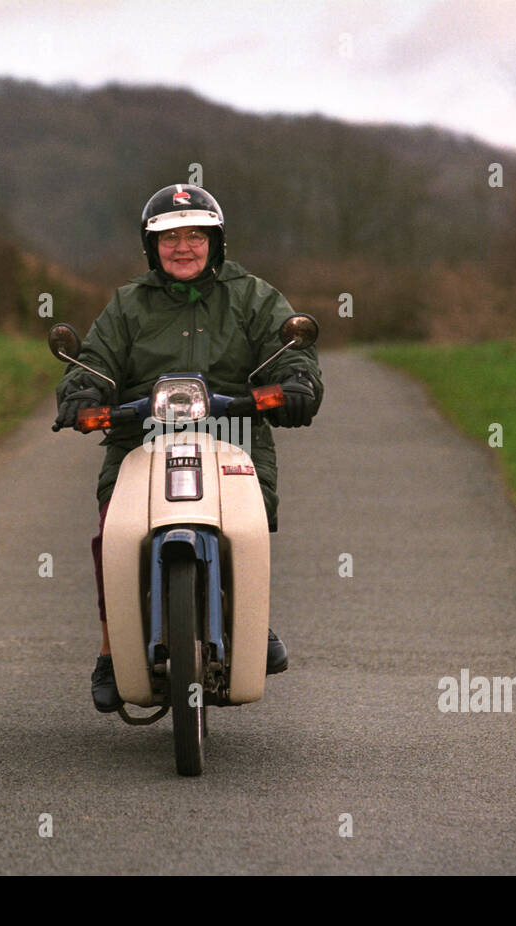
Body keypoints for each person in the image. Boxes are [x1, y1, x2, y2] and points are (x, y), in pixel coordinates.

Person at [53, 184, 324, 712]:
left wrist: (295, 384)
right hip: (142, 440)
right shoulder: (128, 303)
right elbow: (95, 360)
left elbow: (292, 355)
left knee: (245, 525)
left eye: (195, 235)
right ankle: (113, 650)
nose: (183, 247)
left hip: (234, 437)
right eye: (169, 237)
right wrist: (83, 391)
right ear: (150, 247)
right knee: (116, 532)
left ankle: (248, 616)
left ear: (215, 242)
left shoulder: (254, 296)